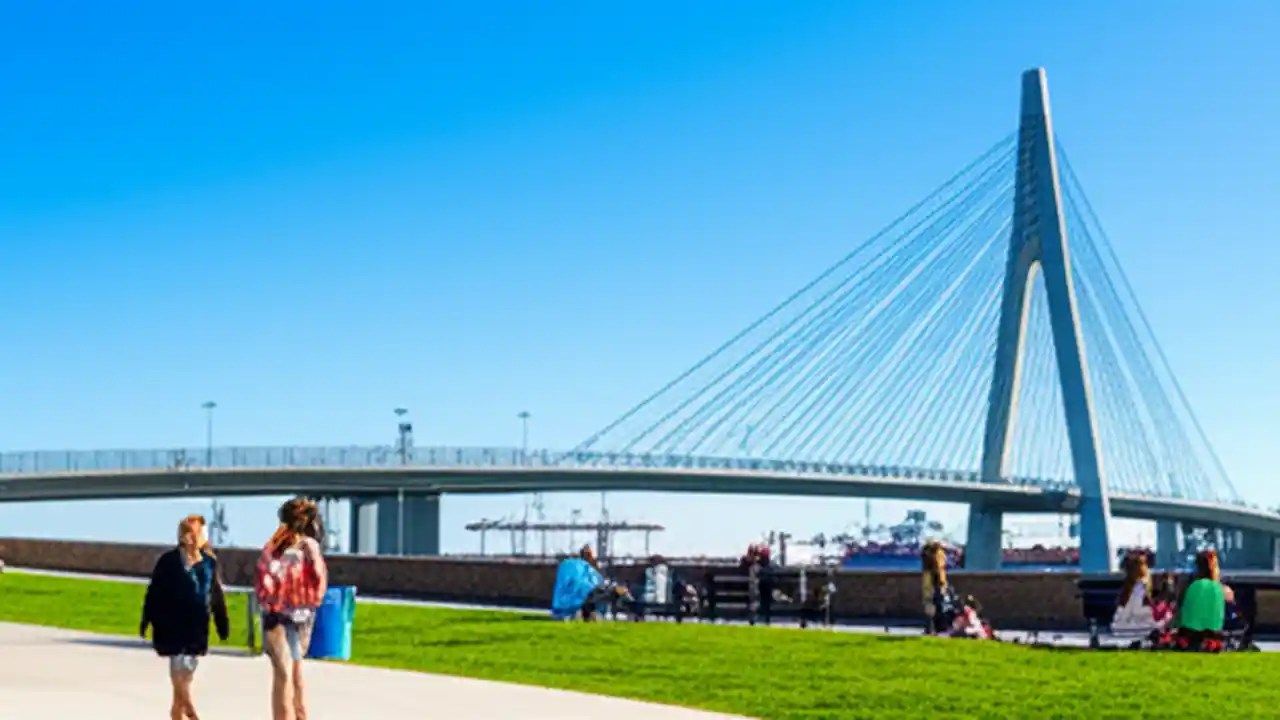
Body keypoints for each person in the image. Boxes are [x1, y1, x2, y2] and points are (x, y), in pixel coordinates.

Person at [140, 514, 230, 720]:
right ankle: (190, 710)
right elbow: (154, 591)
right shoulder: (168, 561)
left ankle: (178, 711)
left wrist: (222, 623)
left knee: (187, 671)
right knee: (177, 668)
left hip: (196, 626)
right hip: (172, 624)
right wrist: (147, 620)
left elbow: (216, 595)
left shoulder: (209, 563)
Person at [254, 497, 328, 720]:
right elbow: (263, 574)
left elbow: (319, 578)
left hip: (301, 616)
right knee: (284, 672)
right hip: (276, 615)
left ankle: (300, 715)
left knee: (294, 673)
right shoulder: (275, 546)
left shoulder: (309, 547)